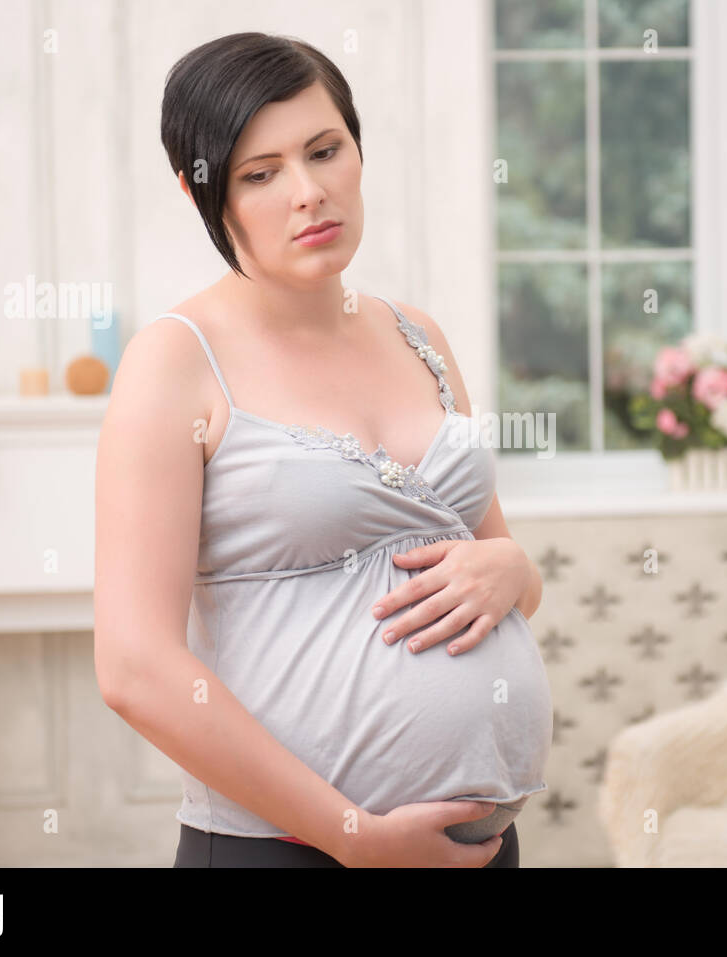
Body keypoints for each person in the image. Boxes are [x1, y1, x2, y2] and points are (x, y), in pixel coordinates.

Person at [92, 31, 553, 868]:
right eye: (260, 173)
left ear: (358, 151)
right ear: (205, 193)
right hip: (291, 850)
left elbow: (501, 568)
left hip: (480, 847)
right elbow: (134, 666)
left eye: (324, 150)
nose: (308, 192)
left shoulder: (420, 336)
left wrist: (516, 569)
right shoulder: (175, 362)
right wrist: (353, 835)